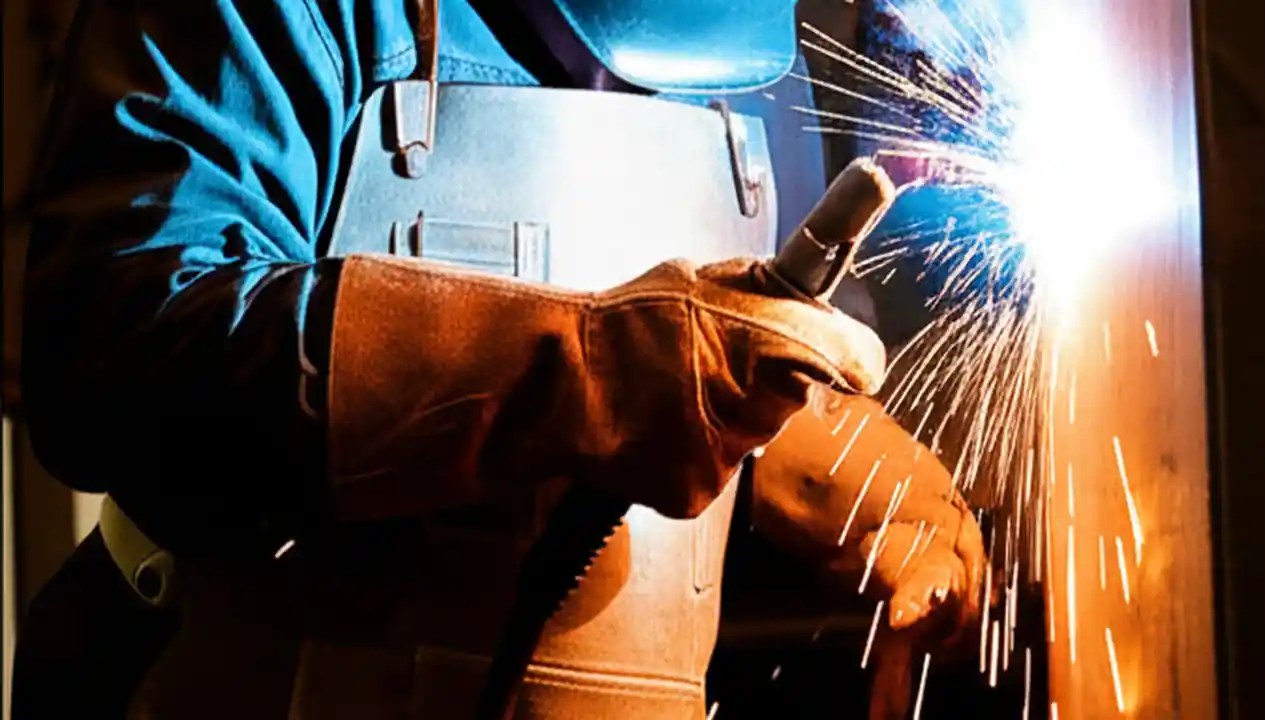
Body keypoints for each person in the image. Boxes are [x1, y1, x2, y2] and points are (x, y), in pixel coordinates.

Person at [12, 1, 986, 718]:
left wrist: (788, 430)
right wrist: (587, 379)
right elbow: (115, 340)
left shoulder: (747, 40)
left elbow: (697, 312)